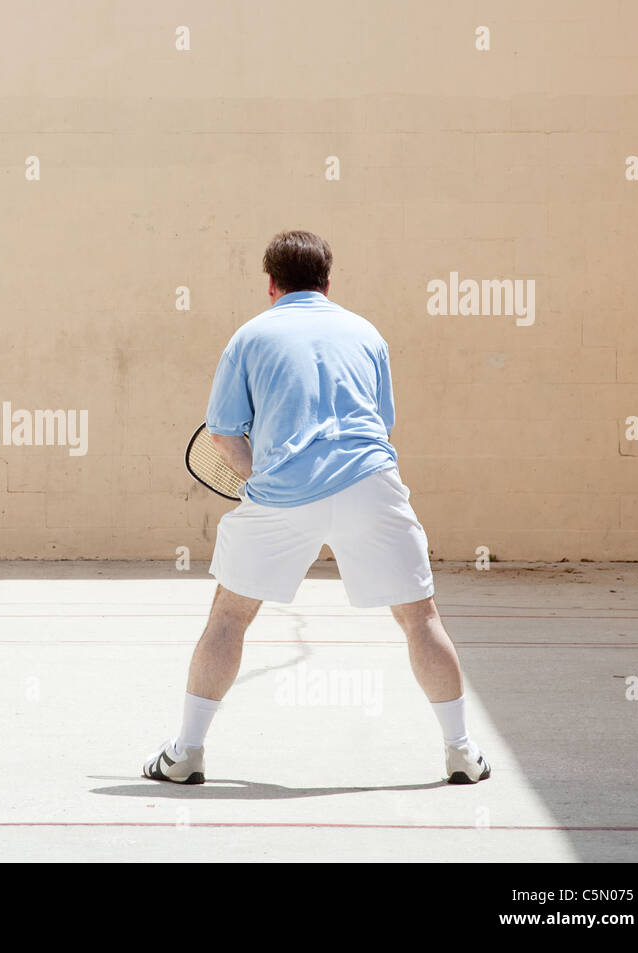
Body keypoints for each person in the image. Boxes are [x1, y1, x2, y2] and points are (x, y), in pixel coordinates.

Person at [143, 230, 490, 785]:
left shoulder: (249, 336)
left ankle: (185, 754)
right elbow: (382, 423)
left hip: (282, 493)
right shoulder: (366, 333)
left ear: (272, 285)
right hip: (369, 483)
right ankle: (463, 754)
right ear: (328, 282)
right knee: (420, 619)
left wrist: (259, 477)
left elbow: (223, 435)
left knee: (229, 617)